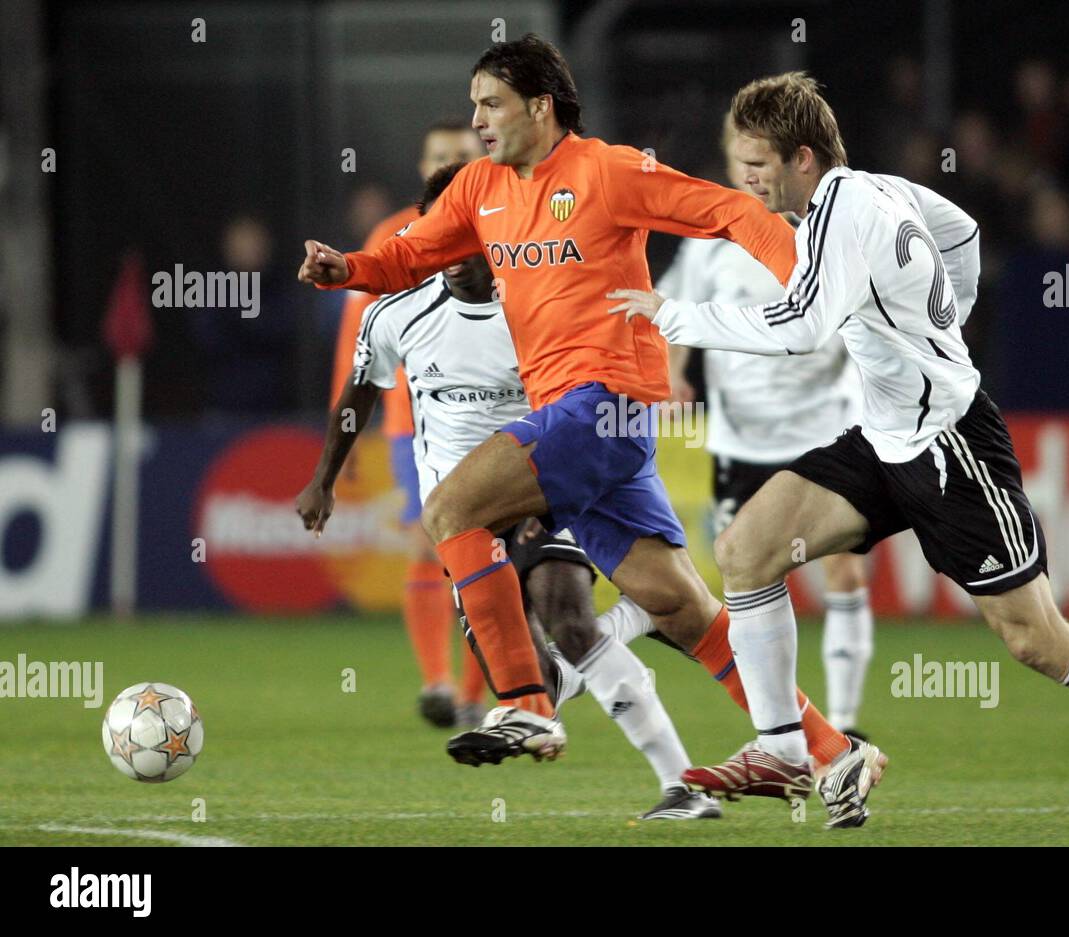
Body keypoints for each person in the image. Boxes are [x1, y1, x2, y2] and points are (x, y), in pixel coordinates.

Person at [613, 72, 1069, 834]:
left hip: (948, 445)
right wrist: (944, 318)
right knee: (746, 548)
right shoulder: (878, 191)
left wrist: (675, 316)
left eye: (757, 163)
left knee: (1035, 638)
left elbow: (803, 327)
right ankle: (783, 746)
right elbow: (964, 236)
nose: (744, 178)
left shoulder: (844, 215)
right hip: (884, 435)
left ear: (803, 157)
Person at [299, 34, 877, 829]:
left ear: (541, 106)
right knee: (682, 609)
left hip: (600, 403)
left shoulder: (608, 171)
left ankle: (527, 701)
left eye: (491, 104)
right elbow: (411, 256)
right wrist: (350, 269)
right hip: (594, 428)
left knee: (449, 513)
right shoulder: (478, 188)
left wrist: (809, 278)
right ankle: (834, 751)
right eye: (474, 106)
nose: (478, 120)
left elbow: (727, 211)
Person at [299, 162, 720, 820]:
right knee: (536, 676)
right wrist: (323, 480)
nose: (464, 246)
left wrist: (549, 499)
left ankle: (682, 786)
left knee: (571, 620)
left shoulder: (536, 309)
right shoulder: (395, 314)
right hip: (462, 523)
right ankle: (636, 621)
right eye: (449, 231)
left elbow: (585, 405)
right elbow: (359, 392)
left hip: (535, 490)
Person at [658, 113, 877, 738]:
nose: (749, 177)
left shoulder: (824, 234)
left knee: (843, 569)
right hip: (740, 437)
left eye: (759, 164)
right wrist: (673, 374)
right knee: (745, 576)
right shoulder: (708, 244)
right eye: (739, 164)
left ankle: (846, 722)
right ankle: (778, 727)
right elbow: (674, 312)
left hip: (825, 429)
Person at [329, 120, 487, 728]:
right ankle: (439, 684)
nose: (449, 163)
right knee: (432, 546)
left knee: (484, 552)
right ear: (423, 165)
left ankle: (477, 692)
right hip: (410, 424)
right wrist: (339, 436)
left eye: (462, 155)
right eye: (439, 155)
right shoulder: (391, 234)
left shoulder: (505, 223)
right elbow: (356, 345)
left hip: (493, 416)